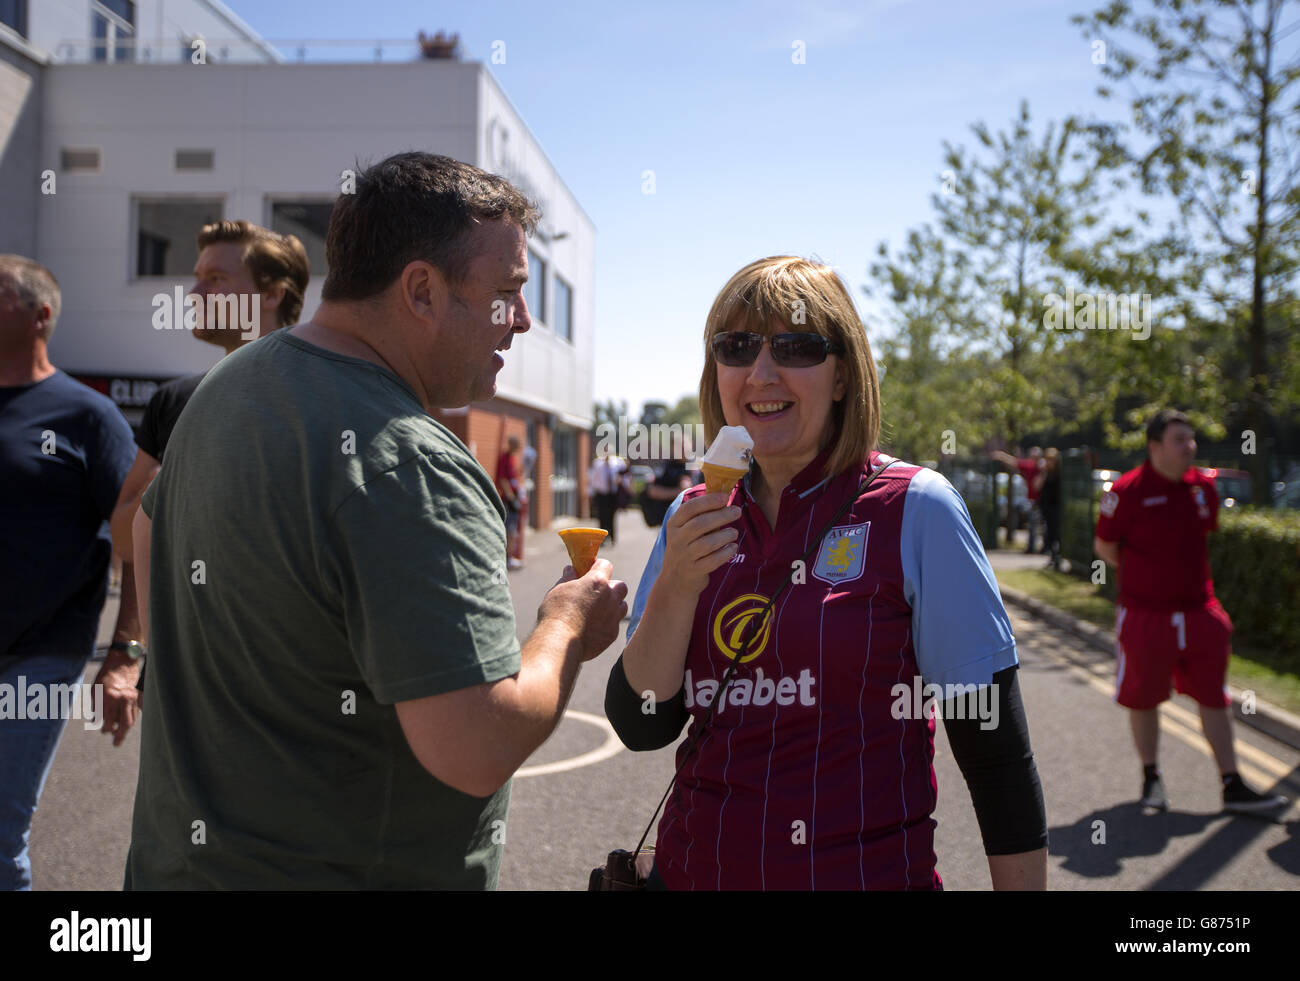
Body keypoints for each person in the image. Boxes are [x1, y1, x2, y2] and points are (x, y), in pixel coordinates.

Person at [126, 152, 627, 889]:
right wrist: (565, 627)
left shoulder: (225, 388)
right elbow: (478, 744)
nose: (521, 319)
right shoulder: (409, 461)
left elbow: (146, 531)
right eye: (509, 292)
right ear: (421, 289)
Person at [605, 256, 1047, 890]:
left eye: (795, 345)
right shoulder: (691, 512)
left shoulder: (918, 508)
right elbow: (642, 723)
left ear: (842, 375)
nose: (761, 371)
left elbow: (995, 753)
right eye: (736, 346)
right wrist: (676, 584)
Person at [104, 221, 309, 737]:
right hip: (180, 682)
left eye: (215, 279)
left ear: (272, 294)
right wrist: (129, 651)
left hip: (297, 685)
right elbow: (127, 534)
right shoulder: (174, 402)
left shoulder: (321, 401)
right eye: (197, 278)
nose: (193, 294)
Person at [0, 255, 140, 889]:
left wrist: (124, 654)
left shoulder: (86, 416)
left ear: (40, 315)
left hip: (42, 650)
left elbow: (136, 530)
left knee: (1, 833)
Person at [1094, 409, 1288, 815]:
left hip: (1201, 612)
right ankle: (1151, 777)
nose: (1190, 447)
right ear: (1155, 447)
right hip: (1146, 615)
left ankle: (1232, 784)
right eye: (1179, 439)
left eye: (1191, 439)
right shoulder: (1126, 491)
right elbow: (1105, 548)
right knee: (1144, 697)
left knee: (1214, 697)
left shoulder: (1203, 488)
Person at [991, 447, 1042, 552]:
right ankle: (1034, 547)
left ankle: (1034, 548)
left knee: (1036, 526)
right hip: (1035, 501)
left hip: (1041, 501)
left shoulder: (1035, 467)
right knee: (1034, 525)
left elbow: (1014, 462)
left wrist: (1001, 455)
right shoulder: (1033, 466)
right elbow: (1016, 463)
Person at [496, 435, 525, 569]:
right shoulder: (505, 459)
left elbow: (515, 477)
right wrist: (511, 497)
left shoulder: (513, 459)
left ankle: (510, 556)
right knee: (509, 528)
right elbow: (503, 479)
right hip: (508, 500)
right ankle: (507, 558)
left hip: (514, 496)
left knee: (513, 529)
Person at [589, 452, 624, 545]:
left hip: (612, 495)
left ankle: (612, 537)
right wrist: (591, 492)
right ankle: (602, 539)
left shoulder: (617, 463)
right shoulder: (597, 464)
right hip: (602, 494)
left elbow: (623, 476)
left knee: (612, 516)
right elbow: (593, 479)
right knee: (602, 517)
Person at [1035, 447, 1061, 570]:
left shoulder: (1060, 474)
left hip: (1056, 508)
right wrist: (1044, 472)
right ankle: (1052, 557)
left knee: (1055, 533)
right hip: (1046, 508)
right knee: (1048, 534)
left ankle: (1056, 558)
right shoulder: (1046, 473)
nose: (1049, 462)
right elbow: (1036, 486)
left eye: (1051, 459)